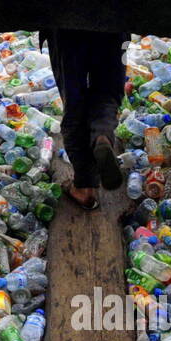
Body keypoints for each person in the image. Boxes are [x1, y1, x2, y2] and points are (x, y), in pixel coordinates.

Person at [42, 28, 126, 210]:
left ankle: (84, 186)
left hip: (67, 26)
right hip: (115, 20)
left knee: (74, 101)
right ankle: (101, 136)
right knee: (108, 93)